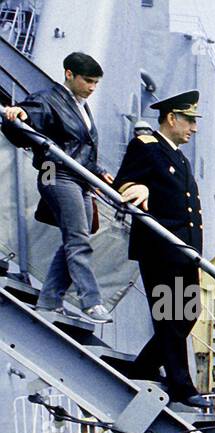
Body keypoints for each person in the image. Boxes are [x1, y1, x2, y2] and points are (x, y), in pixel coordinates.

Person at [2, 52, 129, 323]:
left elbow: (79, 147)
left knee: (76, 238)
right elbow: (34, 112)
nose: (92, 88)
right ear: (69, 74)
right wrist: (20, 113)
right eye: (88, 81)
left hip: (80, 179)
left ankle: (49, 299)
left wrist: (99, 173)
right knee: (77, 239)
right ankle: (90, 301)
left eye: (96, 83)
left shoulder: (82, 105)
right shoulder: (49, 98)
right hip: (55, 174)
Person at [114, 90, 209, 409]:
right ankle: (182, 385)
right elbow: (124, 183)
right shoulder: (147, 147)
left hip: (183, 253)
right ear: (172, 118)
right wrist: (135, 187)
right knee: (170, 316)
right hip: (159, 249)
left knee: (189, 313)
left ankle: (142, 366)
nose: (194, 128)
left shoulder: (179, 157)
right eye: (190, 120)